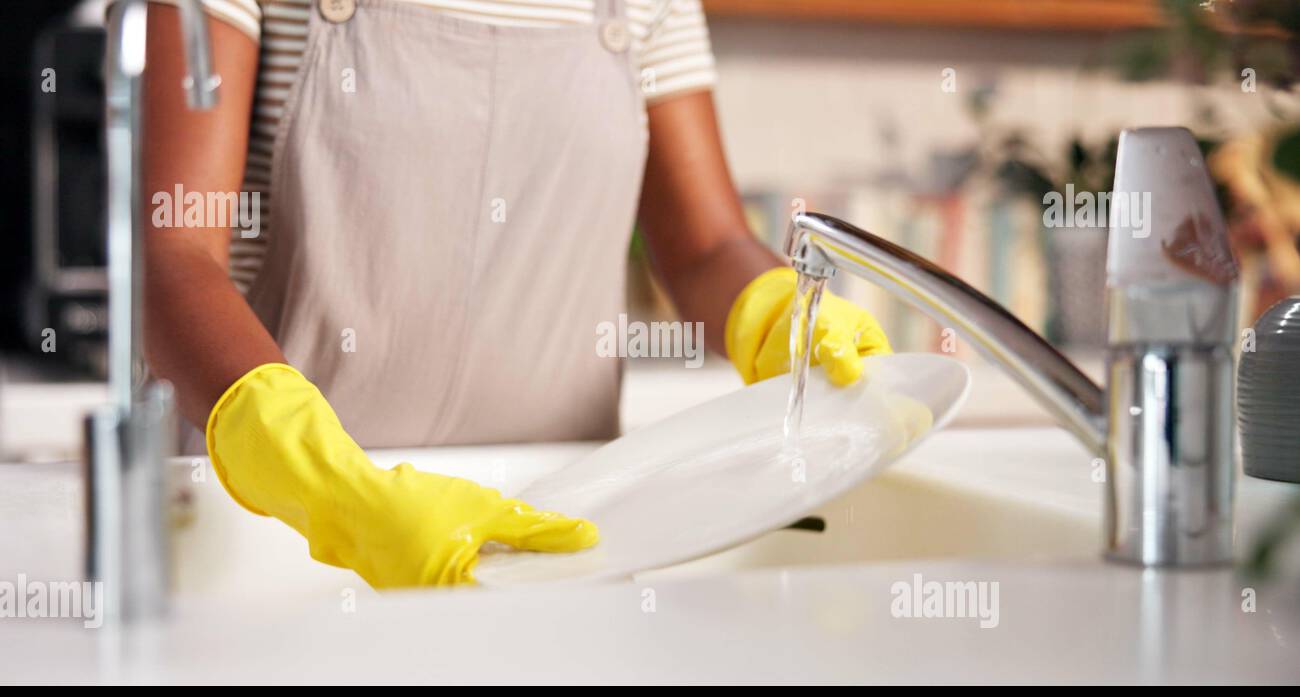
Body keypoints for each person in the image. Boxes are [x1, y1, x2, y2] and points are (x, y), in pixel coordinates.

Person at [141, 0, 890, 587]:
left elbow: (704, 246)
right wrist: (329, 489)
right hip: (285, 534)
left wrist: (780, 313)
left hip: (558, 530)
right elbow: (174, 252)